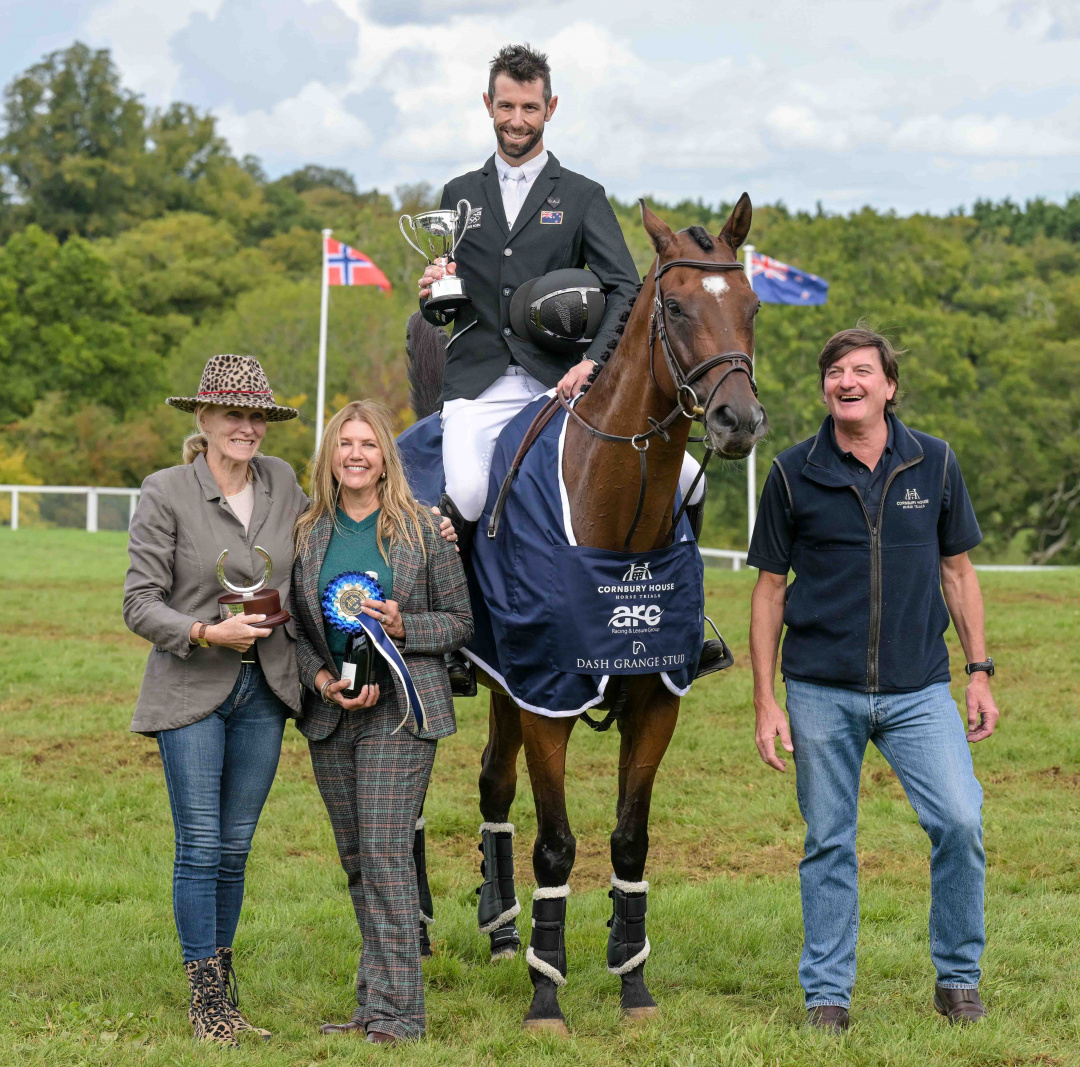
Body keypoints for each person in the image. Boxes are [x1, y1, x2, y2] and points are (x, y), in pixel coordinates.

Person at [747, 327, 1001, 1031]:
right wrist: (766, 698)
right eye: (834, 371)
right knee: (829, 839)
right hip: (819, 689)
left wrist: (978, 671)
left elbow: (959, 571)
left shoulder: (935, 462)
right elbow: (770, 590)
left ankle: (958, 979)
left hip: (920, 688)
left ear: (889, 385)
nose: (845, 380)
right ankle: (827, 995)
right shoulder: (792, 472)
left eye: (861, 370)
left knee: (960, 819)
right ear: (825, 388)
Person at [417, 43, 707, 532]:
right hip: (477, 384)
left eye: (530, 108)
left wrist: (592, 364)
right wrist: (432, 294)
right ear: (487, 104)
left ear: (550, 109)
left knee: (690, 478)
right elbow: (443, 311)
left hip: (562, 382)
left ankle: (673, 593)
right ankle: (463, 609)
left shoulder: (582, 195)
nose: (517, 119)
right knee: (465, 495)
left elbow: (626, 290)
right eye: (506, 106)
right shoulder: (459, 193)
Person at [122, 353, 305, 1047]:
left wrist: (425, 527)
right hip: (193, 687)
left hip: (268, 687)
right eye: (234, 413)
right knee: (199, 844)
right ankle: (205, 1001)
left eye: (257, 415)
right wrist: (204, 630)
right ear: (202, 416)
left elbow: (326, 541)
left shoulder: (284, 480)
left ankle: (225, 992)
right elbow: (139, 603)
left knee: (235, 847)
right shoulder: (165, 490)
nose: (248, 427)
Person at [292, 400, 473, 1044]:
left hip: (403, 714)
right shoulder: (308, 530)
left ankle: (404, 1014)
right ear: (330, 456)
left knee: (388, 855)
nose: (356, 454)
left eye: (368, 443)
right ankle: (373, 1006)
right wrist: (321, 680)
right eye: (345, 444)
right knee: (357, 861)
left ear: (385, 456)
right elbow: (298, 628)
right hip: (332, 714)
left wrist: (403, 625)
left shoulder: (423, 529)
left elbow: (459, 621)